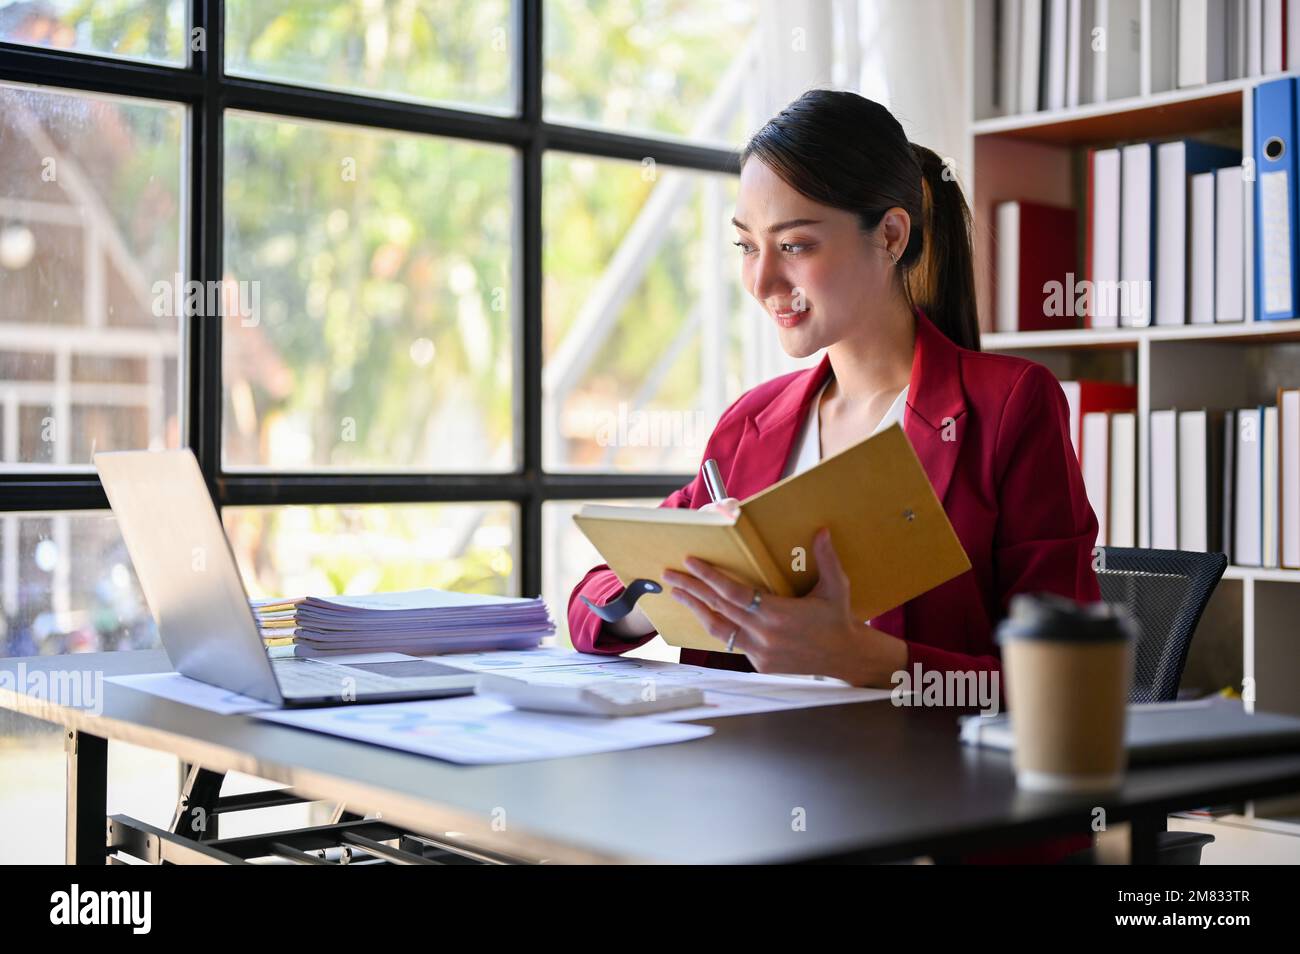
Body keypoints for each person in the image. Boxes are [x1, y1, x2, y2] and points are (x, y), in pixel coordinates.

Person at [567, 89, 1102, 863]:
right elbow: (592, 607)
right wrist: (656, 596)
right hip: (751, 808)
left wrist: (862, 660)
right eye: (747, 245)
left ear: (891, 235)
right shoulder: (750, 426)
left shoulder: (1010, 407)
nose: (760, 281)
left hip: (937, 825)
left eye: (795, 245)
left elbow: (1067, 692)